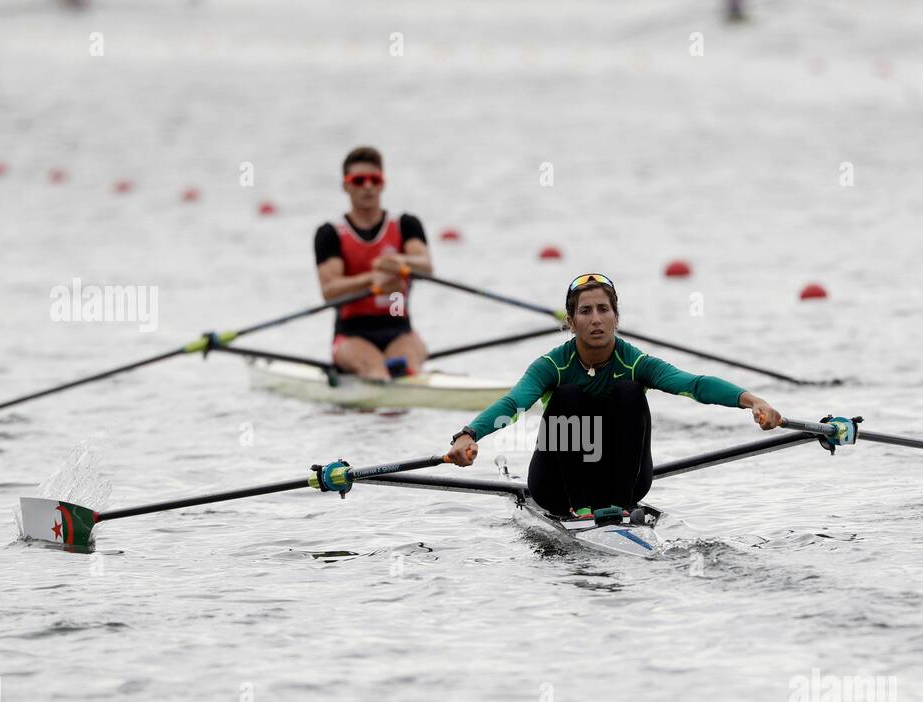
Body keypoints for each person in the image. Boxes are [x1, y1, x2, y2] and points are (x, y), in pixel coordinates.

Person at [444, 273, 783, 516]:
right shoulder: (551, 366)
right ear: (571, 322)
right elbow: (512, 404)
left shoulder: (634, 361)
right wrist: (468, 434)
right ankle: (581, 508)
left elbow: (694, 384)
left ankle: (618, 506)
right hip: (557, 489)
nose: (596, 319)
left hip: (626, 484)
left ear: (616, 317)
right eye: (585, 311)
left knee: (629, 392)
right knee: (568, 396)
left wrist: (754, 401)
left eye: (603, 310)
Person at [313, 146, 432, 379]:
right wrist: (373, 281)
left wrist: (400, 262)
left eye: (374, 179)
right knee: (376, 372)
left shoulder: (406, 225)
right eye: (359, 180)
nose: (367, 186)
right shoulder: (331, 233)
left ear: (383, 183)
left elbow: (425, 266)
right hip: (351, 335)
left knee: (409, 373)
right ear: (345, 186)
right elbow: (329, 291)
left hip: (400, 329)